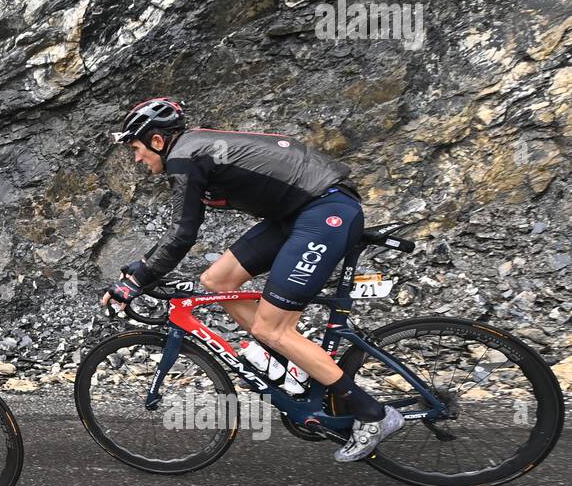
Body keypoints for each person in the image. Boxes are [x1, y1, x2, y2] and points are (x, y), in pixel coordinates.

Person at [101, 97, 405, 461]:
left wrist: (136, 279)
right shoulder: (195, 148)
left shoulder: (185, 156)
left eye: (136, 147)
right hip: (298, 213)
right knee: (217, 280)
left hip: (324, 211)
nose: (136, 158)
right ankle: (293, 362)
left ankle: (374, 414)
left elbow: (183, 232)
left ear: (157, 140)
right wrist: (142, 270)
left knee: (272, 328)